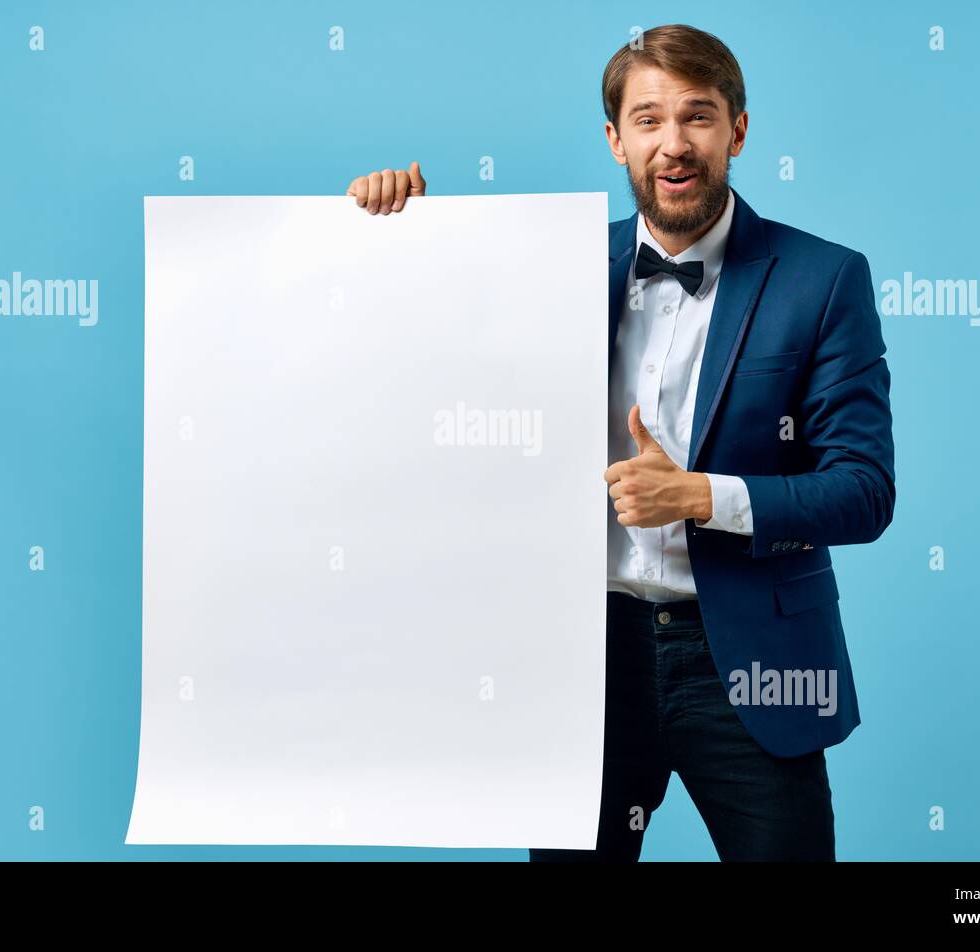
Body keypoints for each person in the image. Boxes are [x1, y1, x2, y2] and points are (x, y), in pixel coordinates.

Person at [345, 23, 895, 861]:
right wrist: (400, 232)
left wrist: (701, 495)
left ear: (738, 131)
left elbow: (863, 489)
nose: (673, 144)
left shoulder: (823, 279)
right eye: (648, 120)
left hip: (748, 664)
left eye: (698, 117)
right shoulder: (550, 266)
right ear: (615, 140)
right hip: (578, 661)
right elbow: (426, 378)